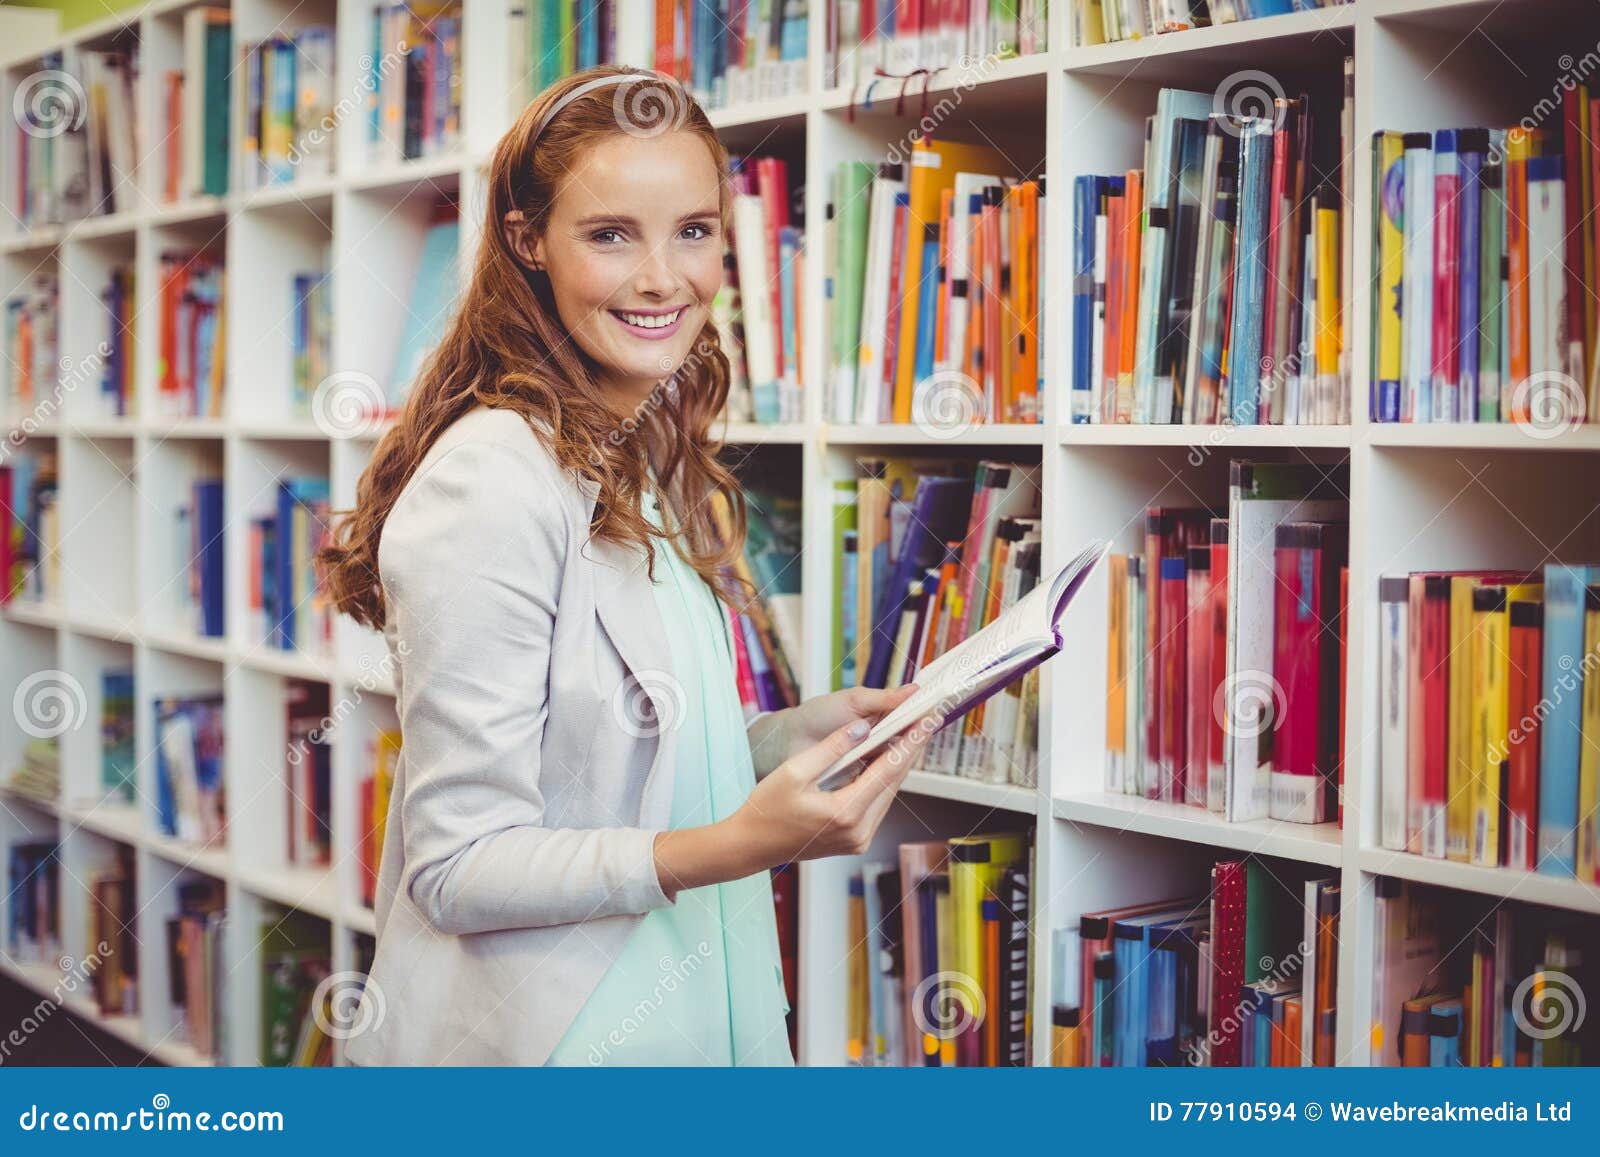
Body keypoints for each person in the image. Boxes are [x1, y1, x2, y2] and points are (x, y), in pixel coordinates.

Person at [317, 66, 938, 1067]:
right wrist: (740, 844)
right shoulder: (491, 480)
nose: (665, 278)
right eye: (611, 234)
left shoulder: (625, 453)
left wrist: (789, 738)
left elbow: (618, 756)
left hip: (687, 1012)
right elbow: (459, 863)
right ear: (528, 242)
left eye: (693, 230)